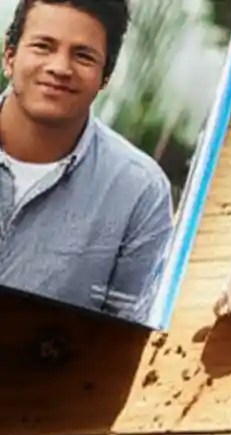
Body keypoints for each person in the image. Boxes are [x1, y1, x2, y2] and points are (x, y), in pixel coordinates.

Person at [0, 0, 174, 324]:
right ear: (9, 57)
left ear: (105, 77)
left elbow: (122, 341)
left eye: (83, 56)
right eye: (43, 46)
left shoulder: (139, 193)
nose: (60, 67)